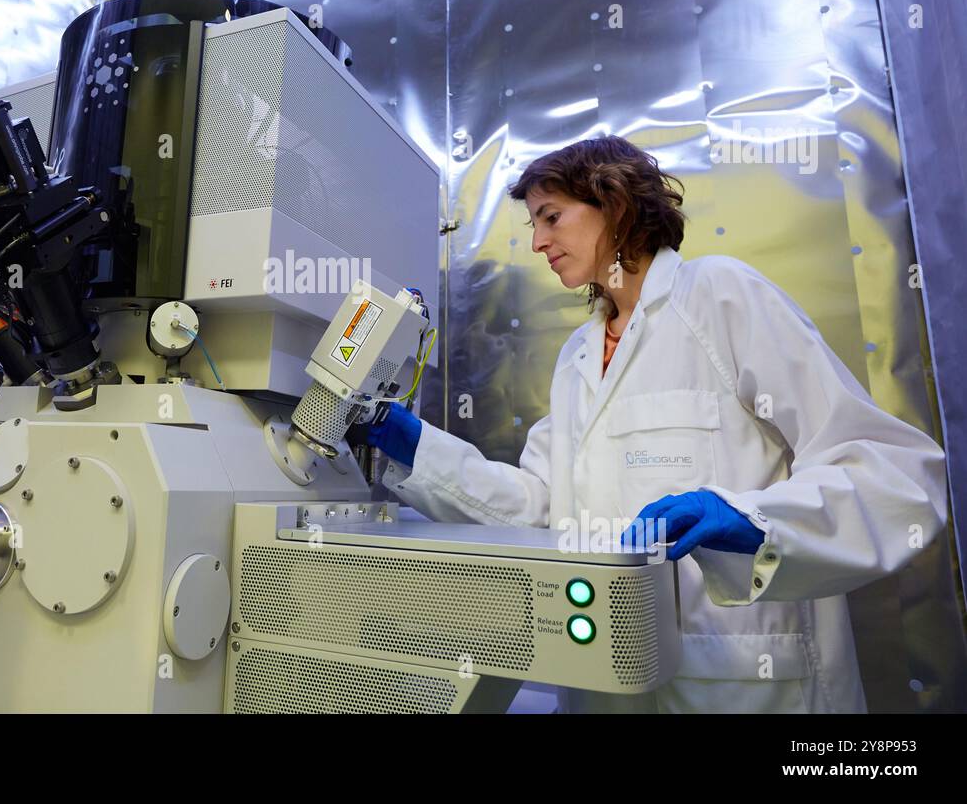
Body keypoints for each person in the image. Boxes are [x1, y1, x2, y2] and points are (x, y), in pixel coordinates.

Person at [371, 135, 947, 713]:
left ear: (613, 202)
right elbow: (540, 508)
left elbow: (890, 468)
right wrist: (418, 449)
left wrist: (754, 522)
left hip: (742, 681)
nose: (538, 241)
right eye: (534, 223)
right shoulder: (578, 355)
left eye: (551, 216)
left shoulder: (719, 297)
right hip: (609, 681)